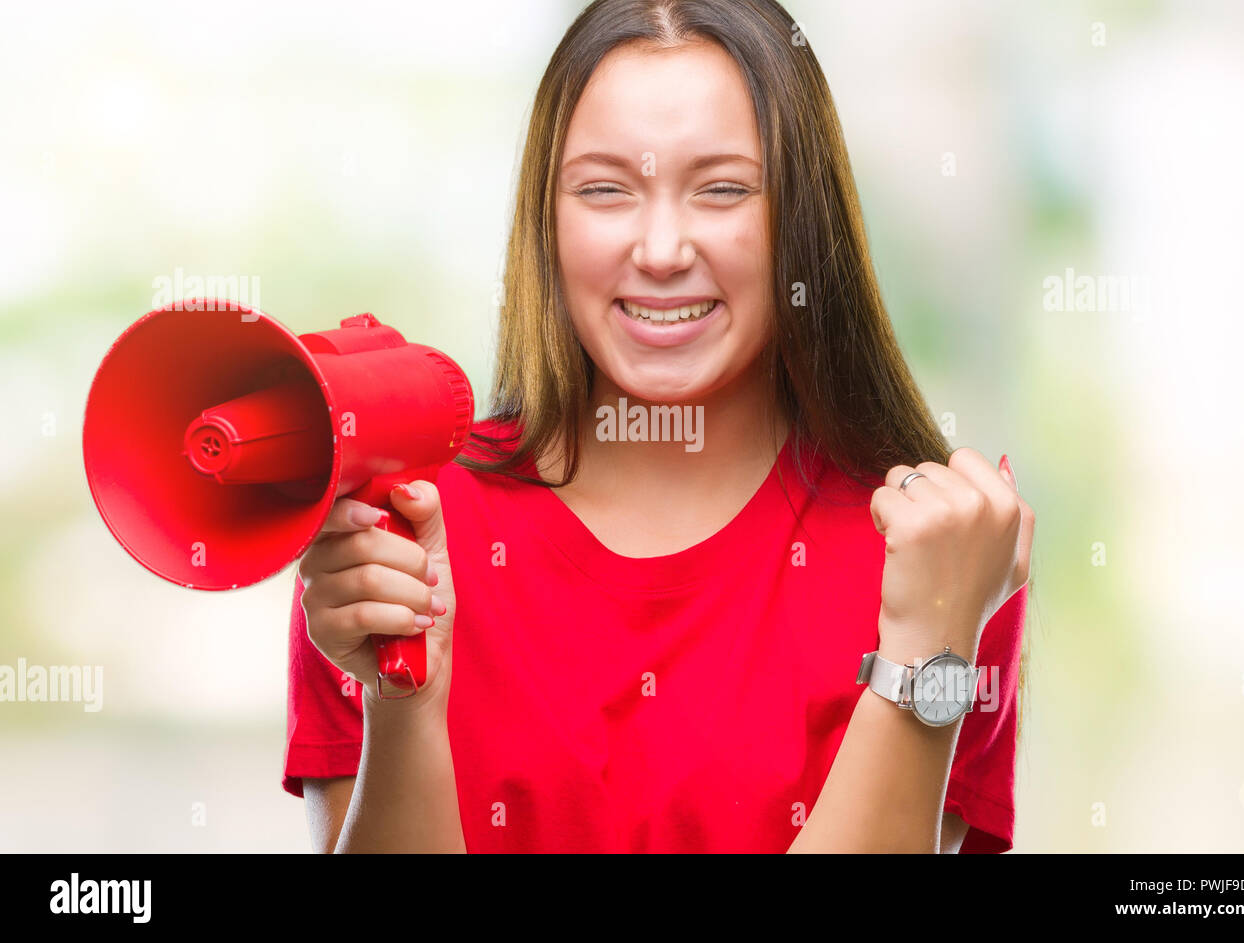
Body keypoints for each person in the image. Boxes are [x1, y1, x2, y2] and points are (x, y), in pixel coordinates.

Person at [282, 0, 1035, 853]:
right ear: (547, 218)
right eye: (605, 190)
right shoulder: (399, 529)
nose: (663, 248)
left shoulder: (942, 554)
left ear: (802, 218)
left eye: (722, 189)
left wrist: (928, 645)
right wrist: (404, 701)